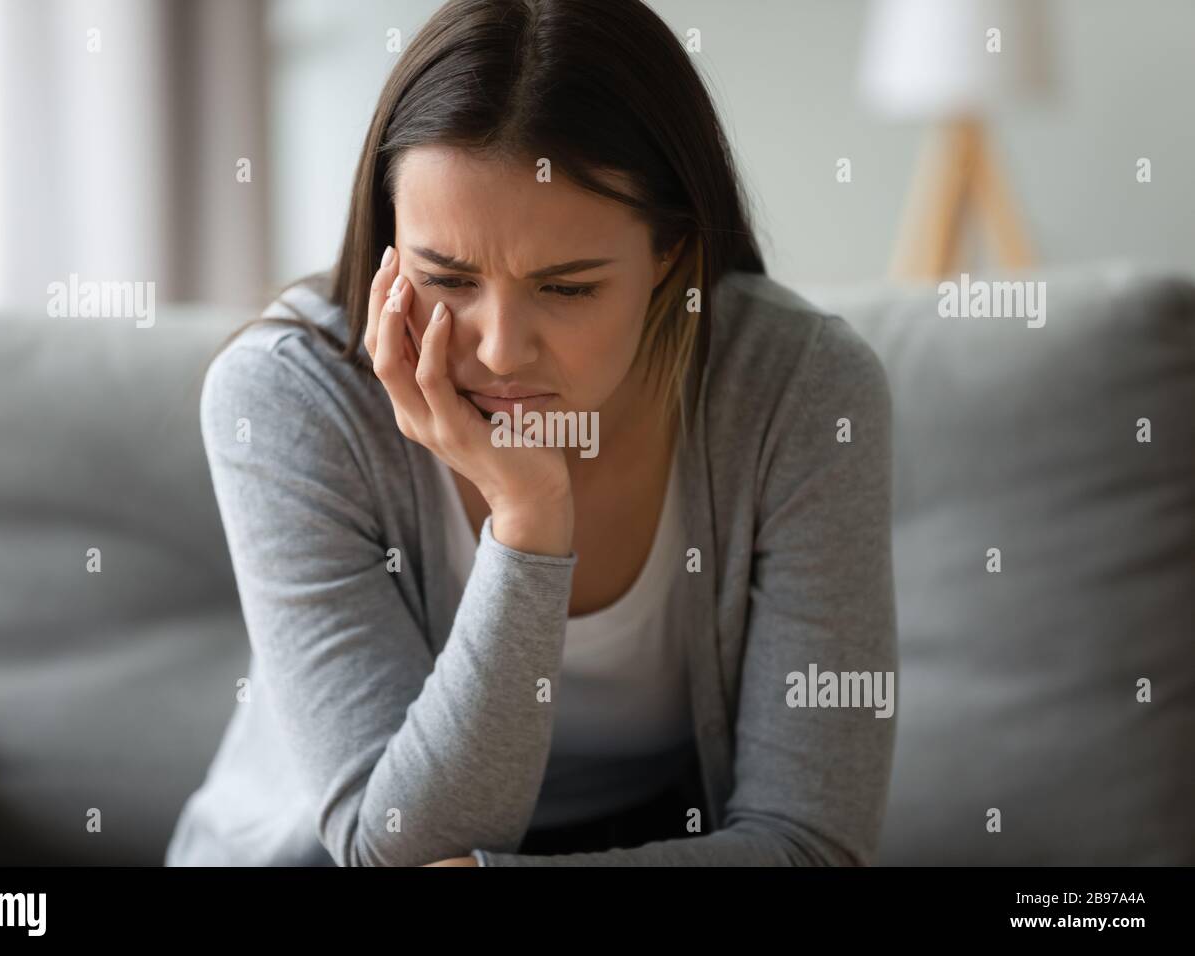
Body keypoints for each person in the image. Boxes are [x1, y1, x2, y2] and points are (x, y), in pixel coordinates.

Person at [166, 0, 897, 867]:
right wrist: (528, 520)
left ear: (671, 255)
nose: (501, 350)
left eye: (568, 287)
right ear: (392, 249)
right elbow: (392, 849)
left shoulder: (800, 390)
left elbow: (813, 843)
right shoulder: (289, 399)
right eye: (446, 278)